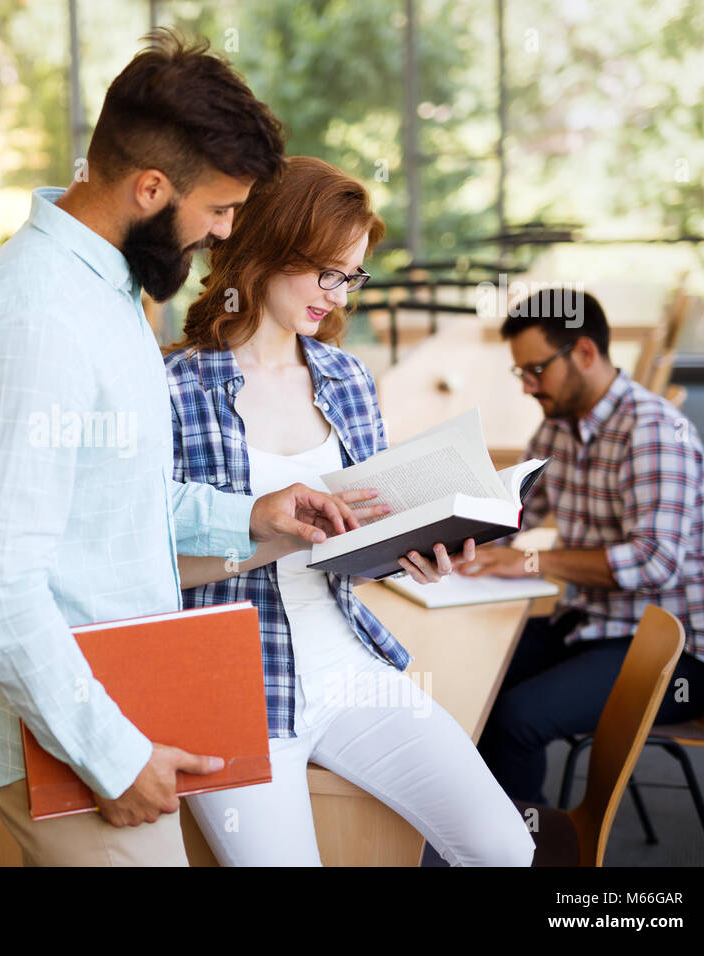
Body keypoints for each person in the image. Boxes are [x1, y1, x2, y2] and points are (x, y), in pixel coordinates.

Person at [0, 31, 362, 867]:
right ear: (149, 188)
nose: (224, 232)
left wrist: (253, 514)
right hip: (70, 739)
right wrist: (114, 756)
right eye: (218, 209)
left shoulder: (105, 291)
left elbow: (113, 499)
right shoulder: (44, 323)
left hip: (113, 695)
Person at [163, 155, 533, 866]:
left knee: (504, 849)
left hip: (346, 663)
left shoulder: (348, 377)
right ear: (267, 247)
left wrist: (417, 552)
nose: (336, 297)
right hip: (228, 690)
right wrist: (278, 533)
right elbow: (149, 570)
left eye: (351, 275)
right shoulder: (173, 388)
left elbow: (360, 540)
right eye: (325, 271)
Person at [458, 289, 704, 803]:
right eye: (521, 375)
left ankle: (519, 851)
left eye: (535, 371)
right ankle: (477, 837)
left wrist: (529, 562)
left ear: (584, 353)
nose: (527, 388)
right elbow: (514, 510)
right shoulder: (559, 424)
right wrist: (432, 532)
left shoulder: (653, 432)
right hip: (591, 623)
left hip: (673, 654)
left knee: (515, 717)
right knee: (473, 682)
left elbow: (655, 564)